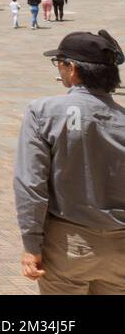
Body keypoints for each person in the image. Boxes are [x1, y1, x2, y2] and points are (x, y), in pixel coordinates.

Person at [15, 30, 125, 294]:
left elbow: (31, 186)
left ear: (73, 69)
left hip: (68, 245)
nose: (60, 69)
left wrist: (32, 246)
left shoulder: (43, 112)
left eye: (60, 62)